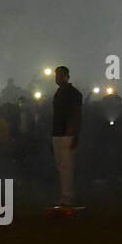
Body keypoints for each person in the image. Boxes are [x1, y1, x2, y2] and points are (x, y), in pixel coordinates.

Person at [51, 65, 83, 206]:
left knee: (66, 166)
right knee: (61, 166)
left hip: (67, 133)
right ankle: (65, 194)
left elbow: (77, 114)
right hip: (57, 132)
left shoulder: (73, 93)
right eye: (56, 75)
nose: (57, 78)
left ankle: (67, 196)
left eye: (60, 75)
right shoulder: (58, 93)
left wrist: (75, 133)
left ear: (66, 76)